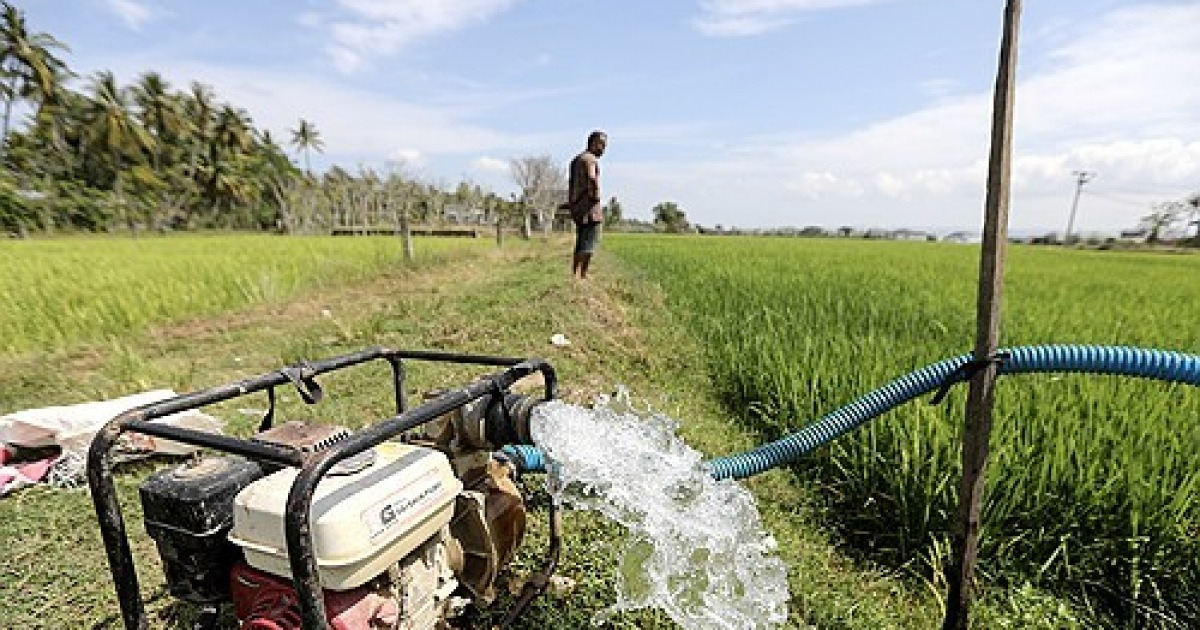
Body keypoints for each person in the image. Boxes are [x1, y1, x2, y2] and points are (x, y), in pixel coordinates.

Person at [562, 130, 607, 279]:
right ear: (594, 143)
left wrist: (572, 203)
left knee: (580, 241)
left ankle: (575, 273)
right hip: (589, 206)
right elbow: (592, 178)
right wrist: (596, 196)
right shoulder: (590, 159)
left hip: (578, 207)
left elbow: (571, 184)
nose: (603, 149)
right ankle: (583, 274)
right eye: (602, 145)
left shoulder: (576, 159)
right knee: (589, 242)